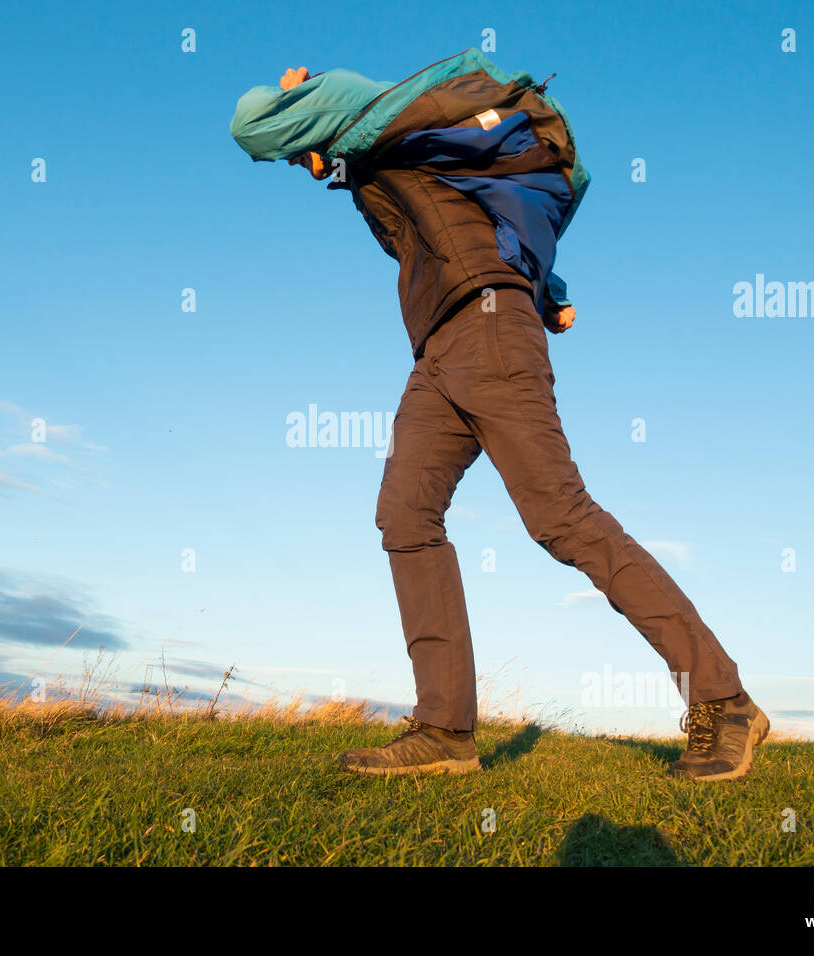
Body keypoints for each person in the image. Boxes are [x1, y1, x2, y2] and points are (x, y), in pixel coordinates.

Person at [231, 51, 769, 781]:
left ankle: (723, 699)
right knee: (405, 515)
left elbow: (251, 125)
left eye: (303, 149)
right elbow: (486, 223)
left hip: (487, 335)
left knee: (562, 517)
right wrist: (553, 293)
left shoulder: (362, 107)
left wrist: (293, 96)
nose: (300, 162)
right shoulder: (386, 157)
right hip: (442, 349)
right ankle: (445, 730)